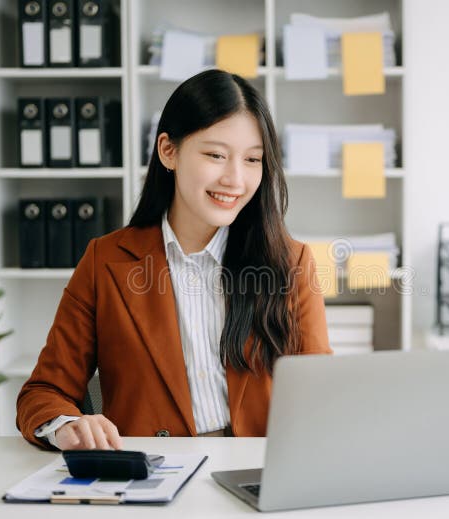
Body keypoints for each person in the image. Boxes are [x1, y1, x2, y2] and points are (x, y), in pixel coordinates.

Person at [16, 69, 332, 450]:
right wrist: (68, 426)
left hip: (256, 472)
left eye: (252, 159)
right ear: (169, 151)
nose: (235, 179)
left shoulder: (291, 263)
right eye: (216, 155)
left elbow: (320, 396)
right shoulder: (105, 262)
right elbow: (44, 391)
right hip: (151, 474)